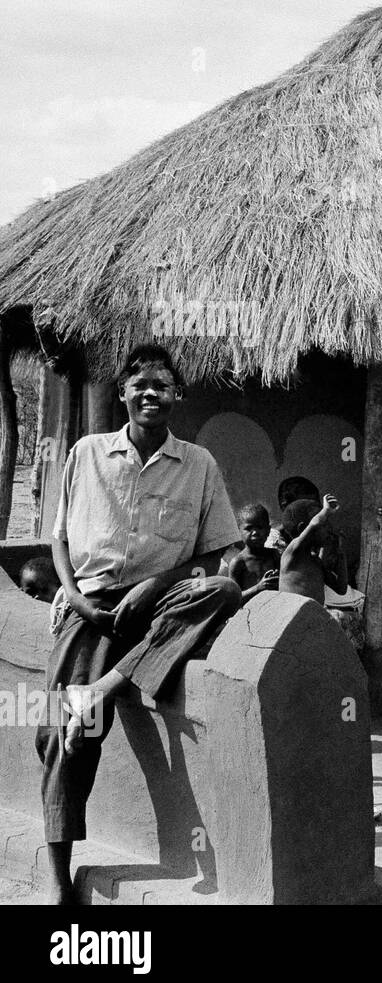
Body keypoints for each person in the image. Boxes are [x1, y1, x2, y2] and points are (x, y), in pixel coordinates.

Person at [36, 344, 242, 904]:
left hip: (160, 600)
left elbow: (218, 554)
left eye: (162, 385)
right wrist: (73, 596)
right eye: (139, 384)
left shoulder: (199, 464)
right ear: (124, 393)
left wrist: (157, 581)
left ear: (177, 395)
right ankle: (58, 880)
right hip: (94, 604)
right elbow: (57, 538)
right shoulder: (86, 452)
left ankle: (103, 689)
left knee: (222, 590)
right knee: (63, 733)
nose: (150, 393)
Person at [278, 495, 349, 604]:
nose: (329, 528)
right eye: (324, 524)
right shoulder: (292, 553)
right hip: (292, 617)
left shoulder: (316, 561)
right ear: (302, 528)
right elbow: (314, 523)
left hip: (311, 616)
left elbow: (341, 589)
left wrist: (340, 553)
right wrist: (326, 510)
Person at [220, 503, 279, 605]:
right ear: (239, 532)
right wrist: (259, 587)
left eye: (260, 527)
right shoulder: (238, 562)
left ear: (268, 530)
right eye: (249, 528)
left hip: (274, 608)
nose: (255, 532)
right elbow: (233, 600)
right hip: (250, 613)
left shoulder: (274, 555)